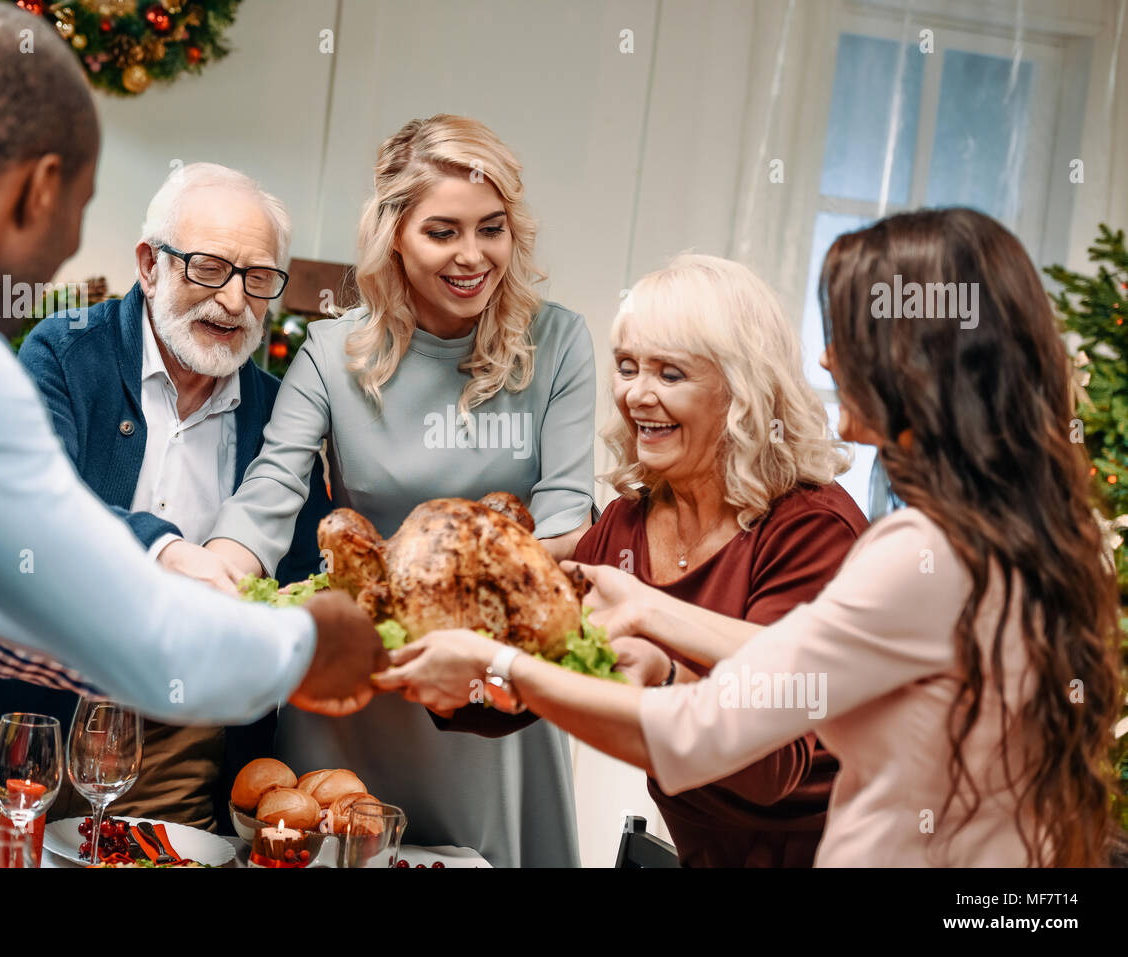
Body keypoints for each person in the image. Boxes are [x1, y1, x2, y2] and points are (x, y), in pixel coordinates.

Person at [376, 208, 1123, 867]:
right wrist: (442, 655)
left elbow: (731, 728)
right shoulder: (998, 537)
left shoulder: (899, 549)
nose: (826, 359)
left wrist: (552, 647)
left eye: (846, 338)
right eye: (629, 367)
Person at [0, 4, 383, 793]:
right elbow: (100, 611)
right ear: (40, 186)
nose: (58, 260)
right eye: (79, 212)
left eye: (255, 279)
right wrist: (304, 646)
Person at [165, 115, 597, 867]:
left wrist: (468, 636)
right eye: (443, 231)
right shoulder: (334, 353)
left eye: (491, 228)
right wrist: (214, 580)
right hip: (353, 697)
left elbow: (564, 524)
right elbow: (268, 495)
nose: (472, 256)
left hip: (485, 699)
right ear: (395, 233)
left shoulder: (558, 342)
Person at [0, 163, 333, 831]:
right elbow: (35, 509)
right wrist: (163, 550)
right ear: (150, 265)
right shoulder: (64, 351)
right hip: (26, 721)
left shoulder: (278, 411)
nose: (232, 301)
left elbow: (306, 572)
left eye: (258, 279)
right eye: (208, 268)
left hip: (181, 740)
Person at [565, 253, 865, 865]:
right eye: (627, 368)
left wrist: (662, 677)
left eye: (670, 374)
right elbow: (527, 678)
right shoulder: (628, 522)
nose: (637, 394)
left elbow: (770, 767)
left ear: (741, 389)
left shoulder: (810, 529)